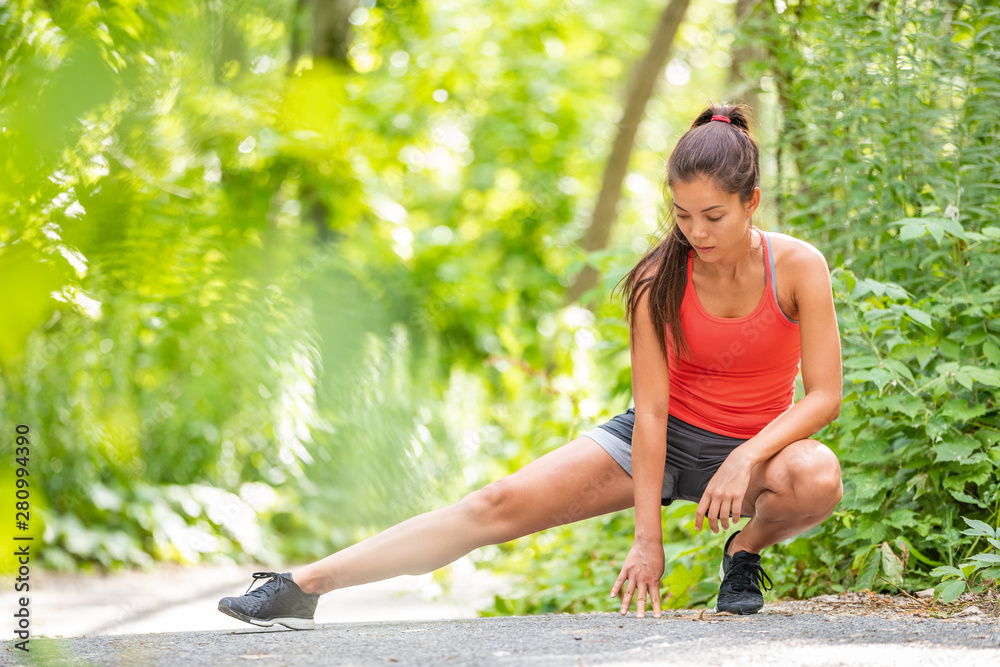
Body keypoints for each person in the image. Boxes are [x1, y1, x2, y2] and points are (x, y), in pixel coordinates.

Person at [217, 103, 843, 630]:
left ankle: (744, 552)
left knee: (817, 474)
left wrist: (743, 458)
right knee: (495, 505)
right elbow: (652, 413)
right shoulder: (660, 278)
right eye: (682, 216)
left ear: (751, 201)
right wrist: (646, 539)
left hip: (755, 447)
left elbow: (822, 397)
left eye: (714, 217)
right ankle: (303, 585)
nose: (697, 233)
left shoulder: (797, 267)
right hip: (661, 437)